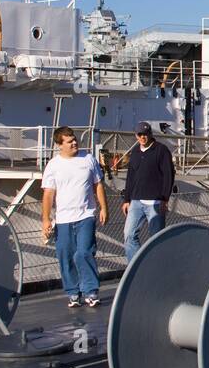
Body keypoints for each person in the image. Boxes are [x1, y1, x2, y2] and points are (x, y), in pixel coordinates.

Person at [41, 126, 108, 308]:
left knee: (84, 252)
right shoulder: (53, 165)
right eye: (69, 141)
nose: (74, 143)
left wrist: (103, 208)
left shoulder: (88, 160)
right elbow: (48, 195)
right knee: (65, 255)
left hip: (85, 215)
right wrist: (46, 219)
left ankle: (91, 291)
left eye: (75, 140)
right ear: (59, 145)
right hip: (63, 219)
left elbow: (98, 185)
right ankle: (73, 293)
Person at [121, 120, 175, 263]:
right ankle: (137, 266)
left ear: (150, 134)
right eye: (140, 134)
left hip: (155, 202)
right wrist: (127, 200)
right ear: (136, 135)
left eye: (145, 134)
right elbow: (131, 176)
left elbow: (168, 175)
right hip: (136, 201)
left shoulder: (161, 150)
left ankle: (156, 268)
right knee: (129, 235)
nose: (142, 137)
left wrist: (165, 198)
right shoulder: (135, 152)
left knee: (156, 239)